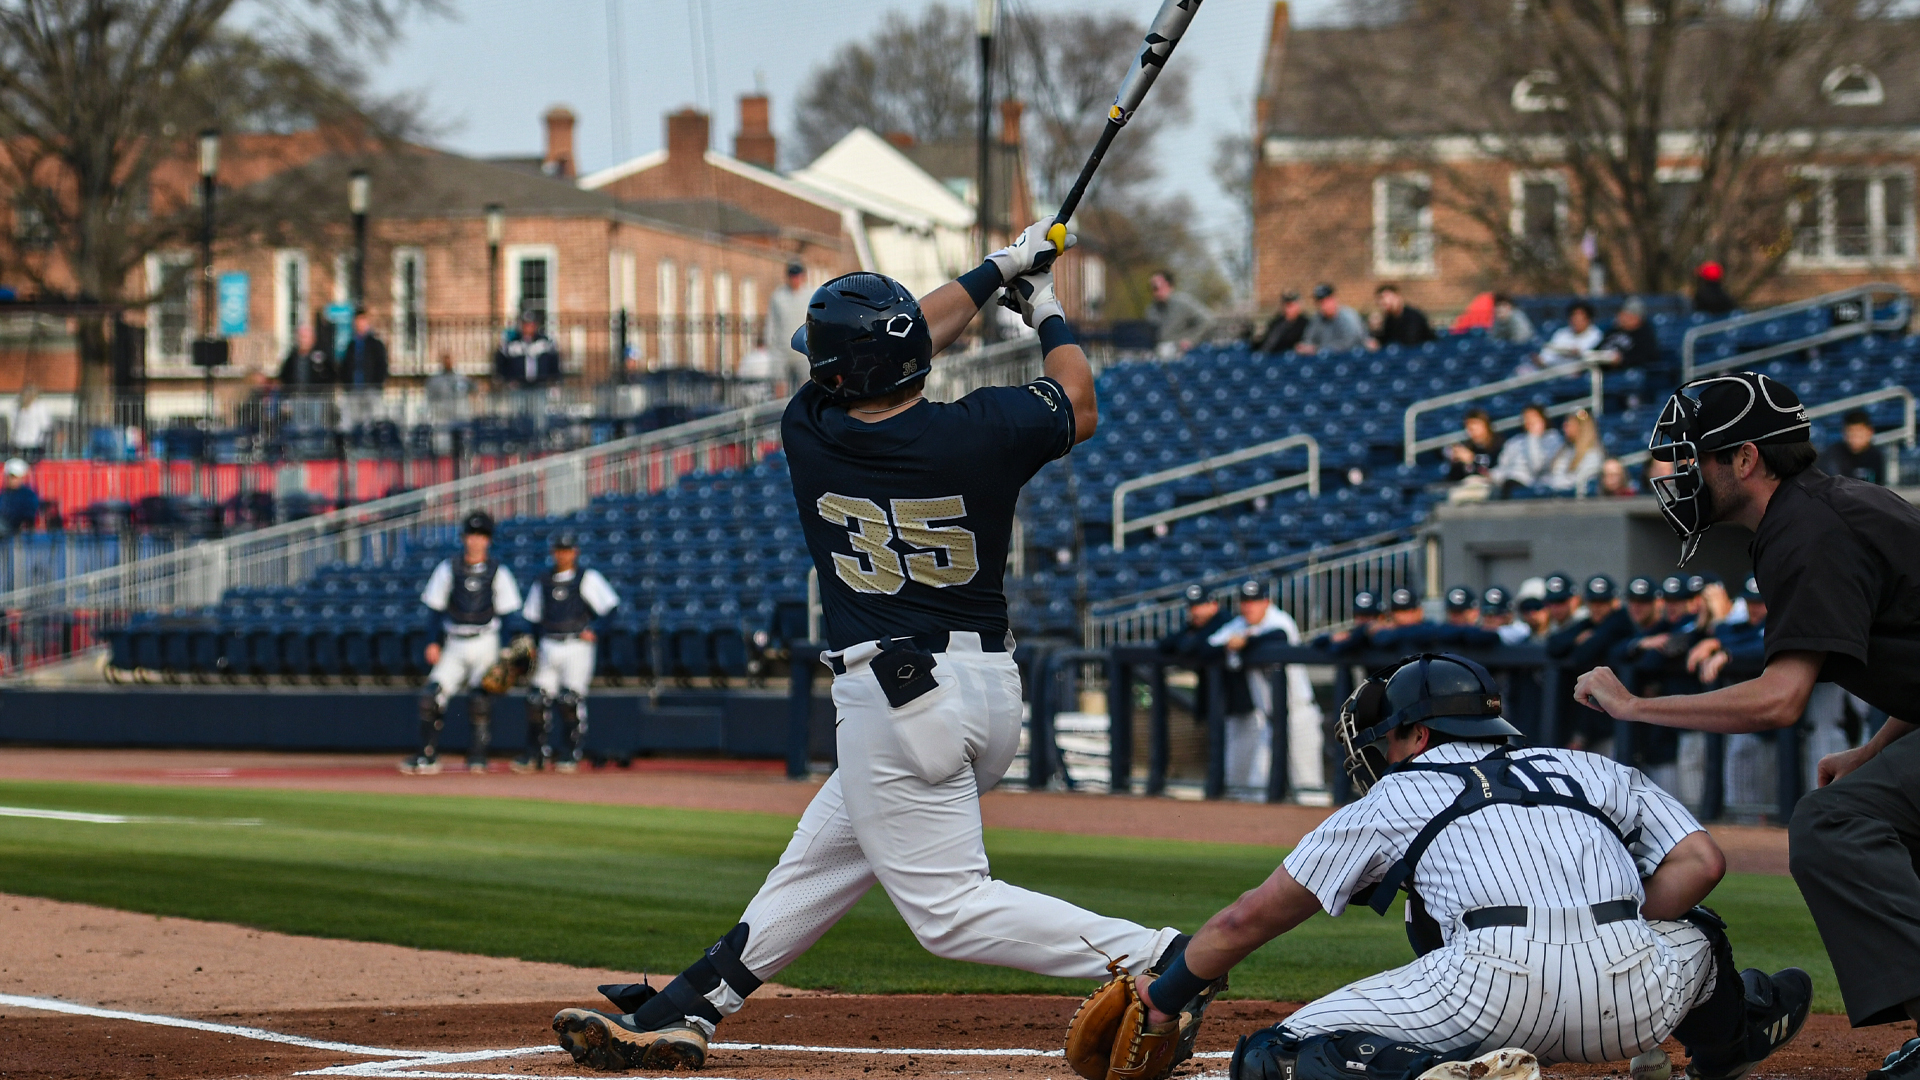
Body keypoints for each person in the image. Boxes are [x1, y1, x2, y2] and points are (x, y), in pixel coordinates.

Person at [552, 219, 1221, 1072]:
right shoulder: (985, 429)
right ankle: (691, 1006)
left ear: (837, 373)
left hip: (896, 697)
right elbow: (1077, 400)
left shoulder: (813, 428)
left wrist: (992, 271)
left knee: (947, 912)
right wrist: (1041, 302)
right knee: (825, 854)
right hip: (983, 693)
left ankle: (1162, 957)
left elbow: (904, 342)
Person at [1121, 654, 1810, 1080]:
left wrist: (1167, 995)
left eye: (1389, 735)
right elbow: (1703, 860)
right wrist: (1616, 931)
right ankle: (1730, 1045)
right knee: (1700, 930)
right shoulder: (1586, 767)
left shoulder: (1396, 793)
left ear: (1418, 733)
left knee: (1277, 1054)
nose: (1382, 748)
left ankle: (1428, 1075)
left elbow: (1250, 918)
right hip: (1634, 1001)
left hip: (1487, 997)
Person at [1574, 370, 1920, 1044]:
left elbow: (1779, 700)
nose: (1685, 475)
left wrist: (1636, 706)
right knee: (1884, 819)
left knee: (1832, 825)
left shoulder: (1807, 528)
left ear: (1746, 458)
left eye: (1697, 457)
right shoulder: (1825, 508)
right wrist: (1874, 750)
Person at [408, 510, 522, 775]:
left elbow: (507, 614)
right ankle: (427, 756)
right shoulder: (448, 568)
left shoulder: (498, 571)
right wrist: (432, 642)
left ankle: (478, 757)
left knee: (480, 699)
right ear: (464, 538)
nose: (475, 541)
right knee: (431, 696)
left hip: (486, 640)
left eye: (481, 536)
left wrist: (505, 649)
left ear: (488, 540)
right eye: (471, 535)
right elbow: (435, 610)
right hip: (454, 640)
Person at [1206, 579, 1324, 798]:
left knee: (1308, 788)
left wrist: (1245, 643)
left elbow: (1280, 635)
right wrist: (1233, 643)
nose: (1249, 606)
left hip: (1298, 715)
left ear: (1266, 602)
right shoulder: (1239, 624)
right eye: (1245, 601)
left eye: (1255, 601)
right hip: (1268, 721)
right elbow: (1209, 645)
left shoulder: (1279, 620)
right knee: (1255, 789)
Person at [515, 532, 620, 774]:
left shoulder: (587, 578)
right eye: (559, 550)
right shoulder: (543, 580)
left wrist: (597, 630)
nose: (562, 554)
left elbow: (611, 608)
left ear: (575, 552)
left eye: (567, 549)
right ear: (553, 552)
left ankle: (570, 751)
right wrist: (530, 645)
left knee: (570, 699)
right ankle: (536, 752)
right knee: (536, 699)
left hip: (577, 645)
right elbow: (532, 618)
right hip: (549, 643)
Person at [1490, 404, 1564, 494]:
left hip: (1531, 484)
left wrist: (1533, 437)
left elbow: (1537, 467)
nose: (1530, 421)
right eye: (1526, 418)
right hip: (1507, 481)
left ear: (1543, 419)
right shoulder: (1514, 441)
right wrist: (1492, 475)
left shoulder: (1553, 439)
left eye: (1533, 418)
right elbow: (1502, 466)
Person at [336, 308, 390, 433]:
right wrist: (347, 385)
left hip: (371, 390)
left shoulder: (375, 344)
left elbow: (382, 366)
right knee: (354, 422)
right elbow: (345, 367)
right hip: (354, 390)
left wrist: (376, 385)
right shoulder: (351, 345)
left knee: (371, 422)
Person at [764, 262, 812, 394]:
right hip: (782, 350)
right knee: (779, 385)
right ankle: (782, 413)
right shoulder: (778, 296)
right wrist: (769, 344)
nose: (795, 280)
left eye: (798, 276)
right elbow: (772, 322)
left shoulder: (810, 296)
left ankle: (803, 413)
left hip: (803, 349)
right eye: (792, 276)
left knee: (806, 386)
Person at [277, 322, 335, 430]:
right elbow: (284, 377)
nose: (303, 340)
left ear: (313, 338)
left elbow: (331, 374)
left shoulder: (321, 355)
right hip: (297, 398)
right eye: (301, 337)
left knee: (316, 427)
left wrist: (323, 388)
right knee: (298, 427)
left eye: (306, 337)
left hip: (316, 398)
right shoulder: (292, 357)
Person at [1147, 269, 1212, 356]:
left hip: (1184, 353)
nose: (1155, 291)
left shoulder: (1184, 302)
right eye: (1152, 288)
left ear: (1169, 285)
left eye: (1157, 287)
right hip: (1161, 353)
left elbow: (1207, 320)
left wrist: (1191, 339)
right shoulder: (1151, 310)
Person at [1523, 301, 1602, 373]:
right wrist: (1540, 361)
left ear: (1588, 319)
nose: (1576, 321)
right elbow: (1547, 356)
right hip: (1555, 373)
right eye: (1573, 318)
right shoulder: (1561, 334)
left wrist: (1577, 354)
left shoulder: (1596, 335)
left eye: (1579, 319)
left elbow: (1591, 358)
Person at [495, 311, 563, 393]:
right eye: (525, 325)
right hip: (517, 387)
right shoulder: (512, 344)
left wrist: (553, 380)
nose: (528, 328)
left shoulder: (545, 343)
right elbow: (501, 363)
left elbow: (554, 362)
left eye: (531, 325)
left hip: (540, 385)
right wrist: (507, 379)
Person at [1816, 408, 1886, 485]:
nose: (1855, 438)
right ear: (1844, 433)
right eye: (1851, 433)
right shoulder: (1832, 455)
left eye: (1859, 433)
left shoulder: (1877, 457)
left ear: (1869, 432)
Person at [1543, 408, 1604, 494]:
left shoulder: (1593, 454)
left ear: (1581, 427)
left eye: (1569, 424)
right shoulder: (1564, 451)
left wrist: (1554, 484)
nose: (1564, 427)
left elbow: (1580, 482)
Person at [1297, 283, 1369, 355]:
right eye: (1319, 302)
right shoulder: (1317, 319)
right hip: (1324, 360)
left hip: (1350, 358)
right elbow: (1308, 340)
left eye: (1325, 301)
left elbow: (1349, 343)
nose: (1323, 306)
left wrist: (1317, 348)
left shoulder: (1348, 316)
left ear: (1333, 299)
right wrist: (1305, 347)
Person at [1594, 298, 1660, 374]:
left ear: (1636, 317)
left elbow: (1647, 357)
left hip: (1625, 374)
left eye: (1625, 314)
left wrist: (1622, 360)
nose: (1620, 317)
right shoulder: (1613, 331)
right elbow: (1597, 348)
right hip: (1602, 370)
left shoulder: (1644, 335)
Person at [425, 353, 473, 456]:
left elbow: (472, 387)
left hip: (459, 414)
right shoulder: (436, 380)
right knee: (444, 443)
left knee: (461, 440)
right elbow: (430, 394)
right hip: (443, 415)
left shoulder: (460, 377)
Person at [1370, 283, 1435, 348]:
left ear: (1398, 296)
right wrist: (1376, 331)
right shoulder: (1389, 320)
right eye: (1380, 299)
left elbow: (1410, 342)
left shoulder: (1413, 317)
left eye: (1387, 297)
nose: (1384, 301)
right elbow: (1383, 342)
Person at [6, 383, 54, 460]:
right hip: (33, 443)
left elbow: (11, 425)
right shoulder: (39, 407)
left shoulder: (16, 407)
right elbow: (46, 425)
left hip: (20, 443)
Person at [0, 458, 39, 535]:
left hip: (13, 530)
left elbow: (28, 517)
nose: (11, 480)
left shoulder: (28, 495)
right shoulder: (5, 493)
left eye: (14, 477)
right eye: (9, 477)